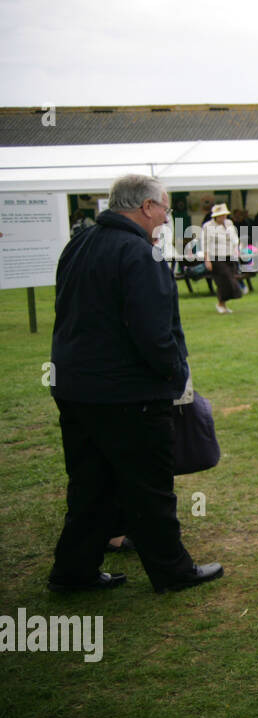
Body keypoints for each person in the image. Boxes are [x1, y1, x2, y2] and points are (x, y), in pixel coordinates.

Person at [47, 173, 222, 594]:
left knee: (91, 486)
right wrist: (173, 373)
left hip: (76, 389)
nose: (168, 216)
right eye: (165, 208)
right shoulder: (140, 254)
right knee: (150, 489)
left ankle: (73, 572)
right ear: (146, 207)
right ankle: (172, 571)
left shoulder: (80, 244)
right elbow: (154, 331)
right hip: (128, 395)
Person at [202, 203, 243, 313]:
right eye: (221, 215)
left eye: (224, 215)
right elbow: (205, 244)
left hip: (230, 257)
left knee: (224, 282)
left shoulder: (229, 224)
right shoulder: (208, 226)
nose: (223, 217)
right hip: (216, 258)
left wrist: (237, 250)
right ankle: (222, 302)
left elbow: (235, 239)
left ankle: (222, 304)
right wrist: (207, 260)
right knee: (226, 279)